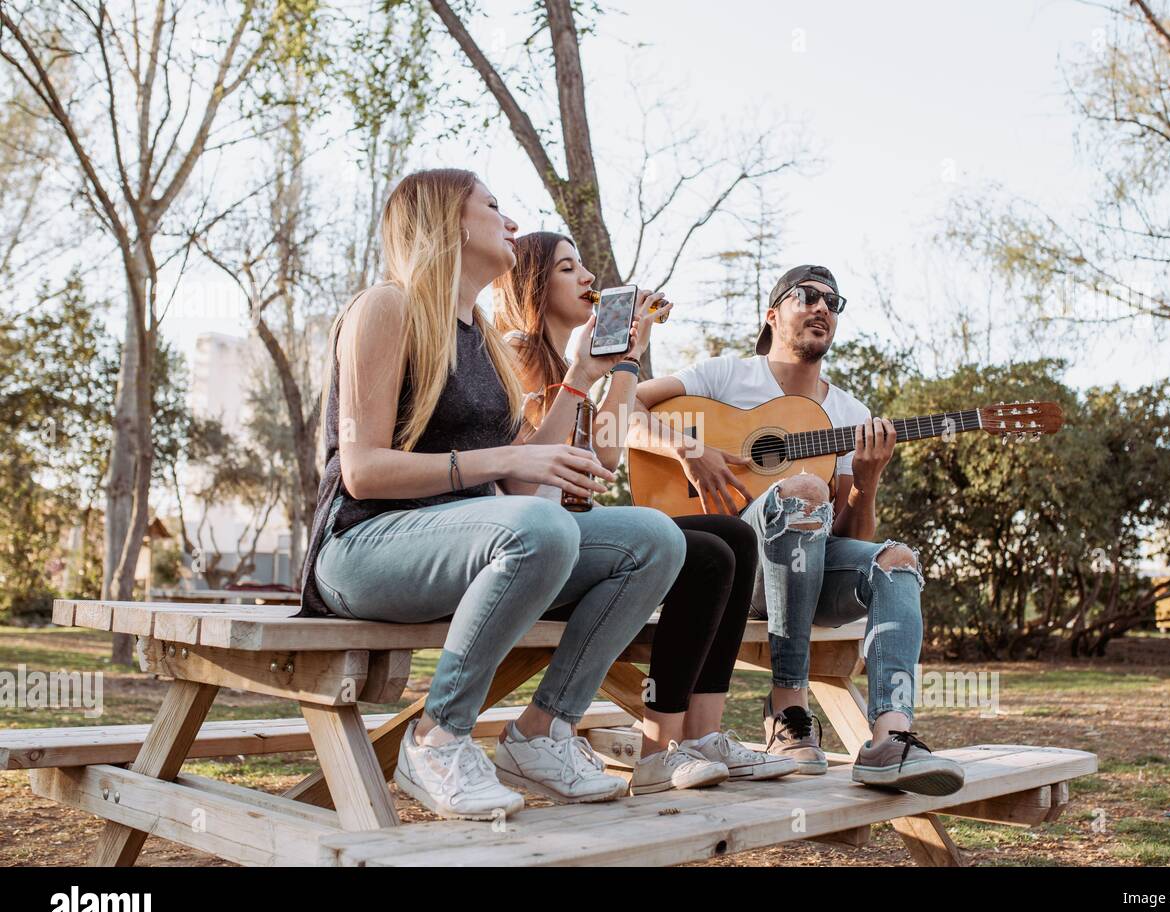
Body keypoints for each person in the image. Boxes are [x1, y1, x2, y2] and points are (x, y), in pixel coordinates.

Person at [295, 170, 686, 820]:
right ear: (448, 220)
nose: (510, 221)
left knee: (655, 541)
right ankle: (438, 736)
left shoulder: (485, 345)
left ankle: (543, 730)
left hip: (476, 538)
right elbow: (360, 472)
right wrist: (512, 456)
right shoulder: (386, 308)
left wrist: (594, 371)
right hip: (360, 546)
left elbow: (535, 483)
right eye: (494, 206)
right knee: (543, 528)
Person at [628, 265, 965, 796]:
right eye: (807, 296)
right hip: (729, 573)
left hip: (807, 577)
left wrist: (867, 482)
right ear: (772, 314)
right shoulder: (725, 377)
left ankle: (890, 738)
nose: (822, 307)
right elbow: (618, 411)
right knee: (804, 489)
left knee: (896, 560)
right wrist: (689, 448)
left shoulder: (849, 412)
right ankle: (788, 709)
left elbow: (850, 534)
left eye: (834, 302)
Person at [494, 232, 796, 794]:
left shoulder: (571, 362)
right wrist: (583, 380)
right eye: (568, 268)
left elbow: (606, 451)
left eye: (583, 265)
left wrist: (630, 358)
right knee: (702, 552)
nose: (588, 278)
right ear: (533, 286)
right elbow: (524, 471)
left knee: (732, 536)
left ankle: (700, 736)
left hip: (574, 535)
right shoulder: (510, 357)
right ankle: (659, 750)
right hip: (528, 545)